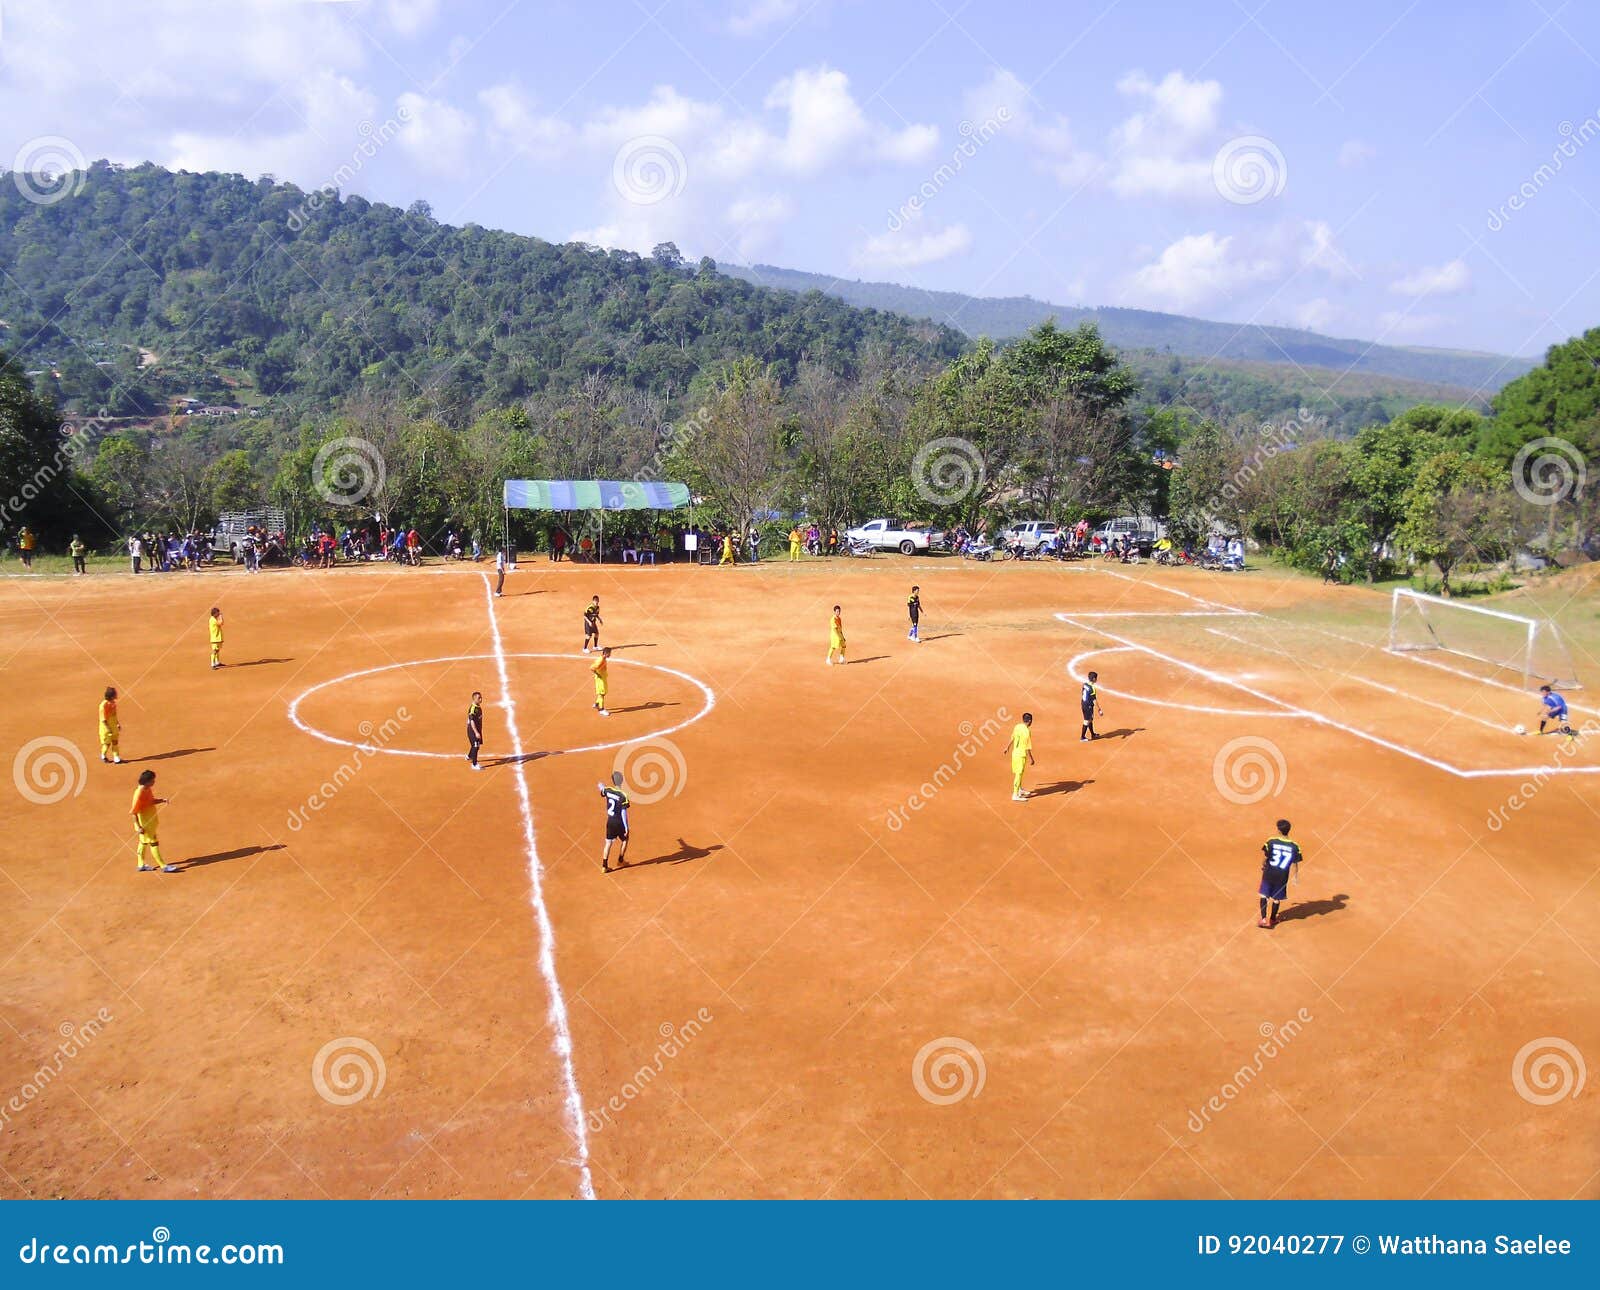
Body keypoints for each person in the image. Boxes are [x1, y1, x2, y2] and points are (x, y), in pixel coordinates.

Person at [1258, 819, 1302, 928]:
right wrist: (1295, 877)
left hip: (1269, 872)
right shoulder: (1294, 846)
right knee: (1276, 899)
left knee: (1264, 895)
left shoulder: (1271, 841)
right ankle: (1272, 920)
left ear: (1278, 830)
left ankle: (1263, 919)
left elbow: (1266, 856)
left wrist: (1263, 865)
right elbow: (1295, 863)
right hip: (1282, 876)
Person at [131, 769, 176, 873]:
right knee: (154, 843)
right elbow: (134, 812)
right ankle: (163, 866)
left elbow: (150, 801)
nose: (154, 782)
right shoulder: (139, 794)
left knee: (143, 842)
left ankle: (140, 864)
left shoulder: (147, 789)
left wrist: (161, 800)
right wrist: (138, 827)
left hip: (150, 822)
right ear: (147, 781)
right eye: (153, 780)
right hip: (145, 824)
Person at [598, 771, 630, 872]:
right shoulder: (623, 795)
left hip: (610, 821)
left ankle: (604, 866)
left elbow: (602, 789)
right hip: (619, 822)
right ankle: (620, 860)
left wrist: (600, 785)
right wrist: (626, 827)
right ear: (622, 781)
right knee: (625, 839)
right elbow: (623, 813)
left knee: (608, 843)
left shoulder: (608, 790)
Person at [1007, 712, 1035, 802]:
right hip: (1021, 755)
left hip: (1015, 753)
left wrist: (1007, 747)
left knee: (1020, 773)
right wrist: (1031, 758)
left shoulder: (1017, 726)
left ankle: (1019, 789)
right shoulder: (1027, 731)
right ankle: (1015, 794)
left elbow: (1013, 737)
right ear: (1030, 721)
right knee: (1018, 774)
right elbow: (1028, 747)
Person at [99, 686, 122, 764]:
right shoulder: (103, 706)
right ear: (112, 696)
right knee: (107, 744)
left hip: (113, 726)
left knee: (115, 742)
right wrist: (108, 729)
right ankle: (103, 755)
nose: (117, 694)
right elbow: (103, 720)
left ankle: (116, 757)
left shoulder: (113, 703)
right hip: (106, 728)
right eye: (115, 693)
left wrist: (117, 724)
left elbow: (114, 715)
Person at [1080, 671, 1104, 741]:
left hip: (1083, 703)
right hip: (1088, 706)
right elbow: (1094, 699)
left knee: (1090, 719)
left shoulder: (1085, 684)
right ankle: (1082, 737)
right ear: (1094, 679)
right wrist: (1099, 709)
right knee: (1086, 721)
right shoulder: (1092, 688)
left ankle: (1093, 734)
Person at [466, 691, 484, 769]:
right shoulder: (473, 709)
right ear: (474, 699)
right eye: (479, 698)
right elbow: (472, 721)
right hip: (473, 730)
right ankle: (474, 764)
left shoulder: (478, 706)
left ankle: (469, 756)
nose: (480, 699)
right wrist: (476, 732)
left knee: (476, 746)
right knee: (476, 746)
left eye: (481, 697)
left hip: (477, 730)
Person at [592, 646, 611, 717]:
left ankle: (597, 704)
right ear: (606, 653)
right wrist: (598, 675)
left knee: (603, 693)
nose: (610, 655)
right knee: (601, 694)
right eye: (609, 653)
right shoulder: (600, 660)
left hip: (602, 678)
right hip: (600, 679)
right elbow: (592, 668)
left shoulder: (603, 658)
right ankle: (601, 709)